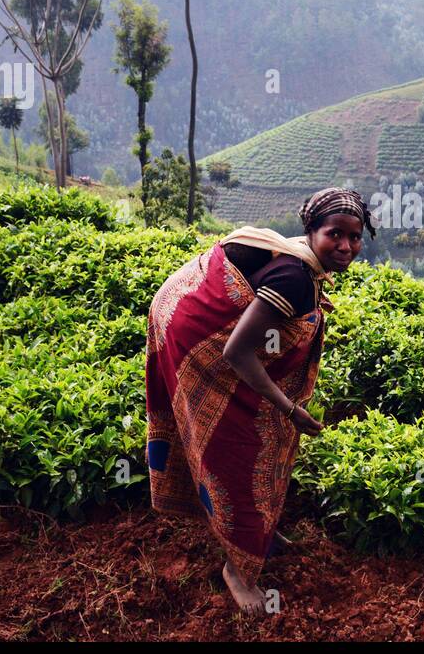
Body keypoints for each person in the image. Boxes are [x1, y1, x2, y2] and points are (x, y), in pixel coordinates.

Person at [144, 187, 376, 612]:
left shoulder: (302, 265)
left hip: (181, 310)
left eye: (355, 237)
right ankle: (237, 567)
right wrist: (289, 407)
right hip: (190, 334)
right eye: (335, 235)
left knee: (261, 434)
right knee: (242, 448)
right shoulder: (294, 279)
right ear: (312, 232)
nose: (346, 247)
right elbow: (235, 351)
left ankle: (261, 531)